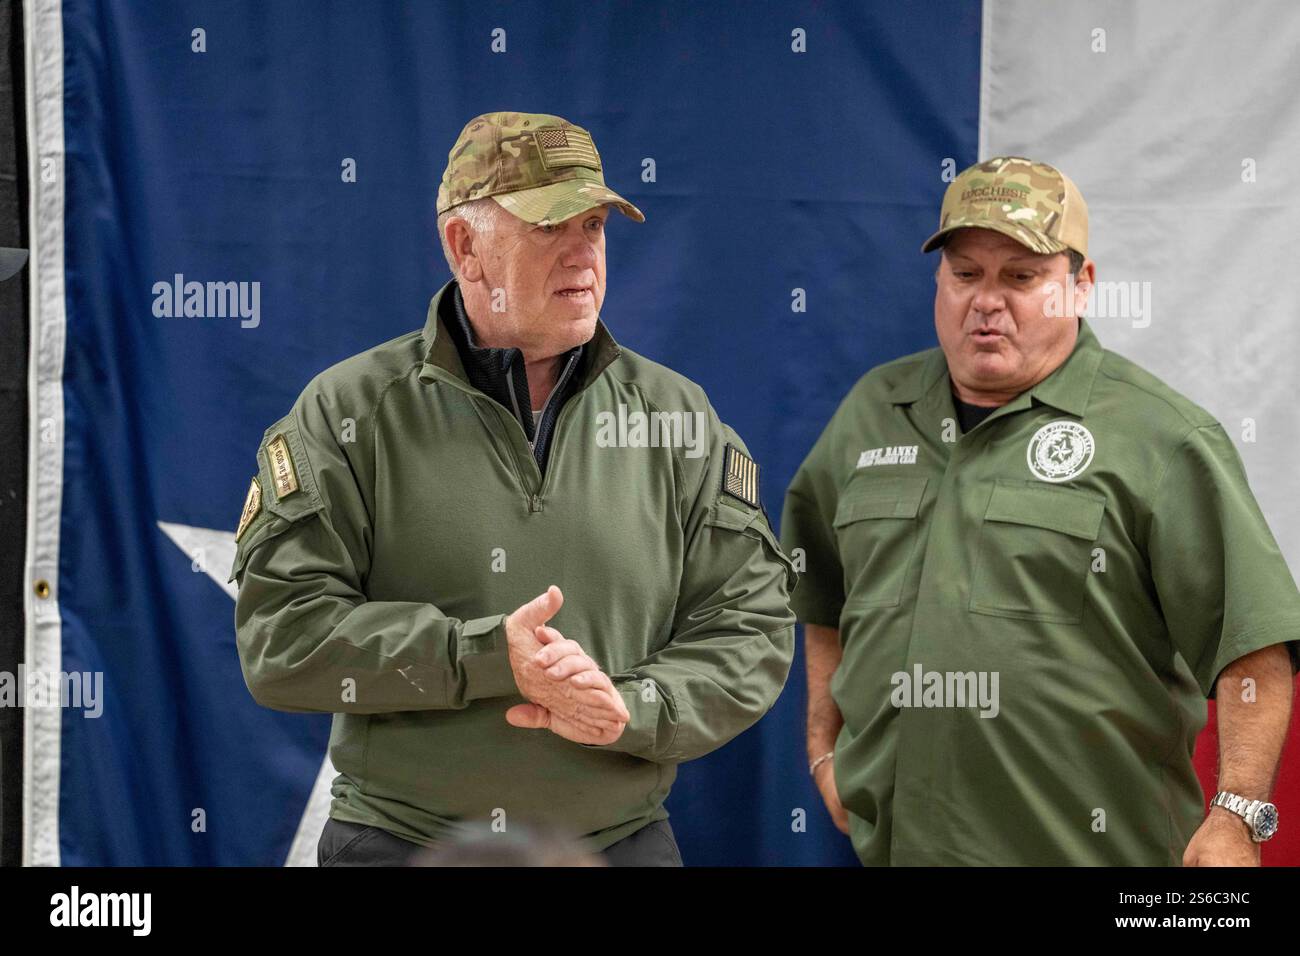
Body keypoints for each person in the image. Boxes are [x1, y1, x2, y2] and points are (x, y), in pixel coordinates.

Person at [230, 111, 796, 866]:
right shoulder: (349, 413)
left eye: (594, 227)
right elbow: (280, 640)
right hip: (402, 847)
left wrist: (632, 708)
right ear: (465, 247)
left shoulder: (677, 417)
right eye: (550, 228)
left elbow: (752, 626)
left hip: (616, 846)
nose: (583, 257)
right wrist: (486, 656)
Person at [780, 156, 1300, 866]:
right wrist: (821, 747)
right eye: (966, 274)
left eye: (1021, 277)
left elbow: (1254, 644)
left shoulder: (1162, 437)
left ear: (1080, 288)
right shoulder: (874, 411)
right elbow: (823, 591)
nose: (987, 302)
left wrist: (1237, 813)